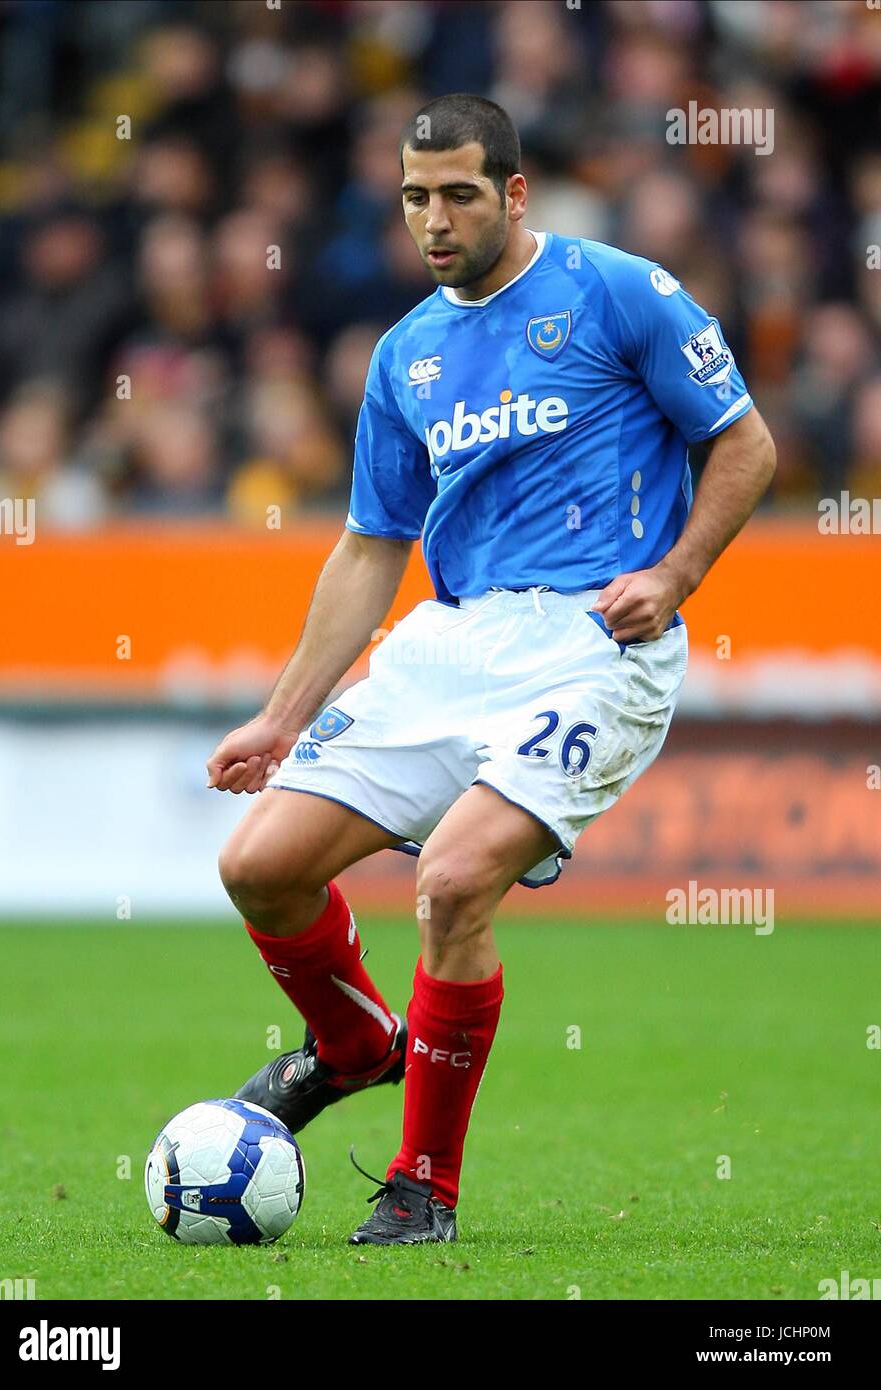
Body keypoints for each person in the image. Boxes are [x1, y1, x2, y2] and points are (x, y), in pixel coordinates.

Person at [207, 93, 776, 1245]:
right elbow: (372, 547)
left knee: (454, 882)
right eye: (416, 196)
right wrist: (281, 716)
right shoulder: (405, 354)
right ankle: (357, 1044)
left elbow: (745, 441)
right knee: (258, 866)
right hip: (451, 641)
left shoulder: (617, 291)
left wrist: (677, 573)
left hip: (594, 647)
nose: (434, 218)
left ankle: (423, 1184)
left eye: (460, 192)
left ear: (515, 193)